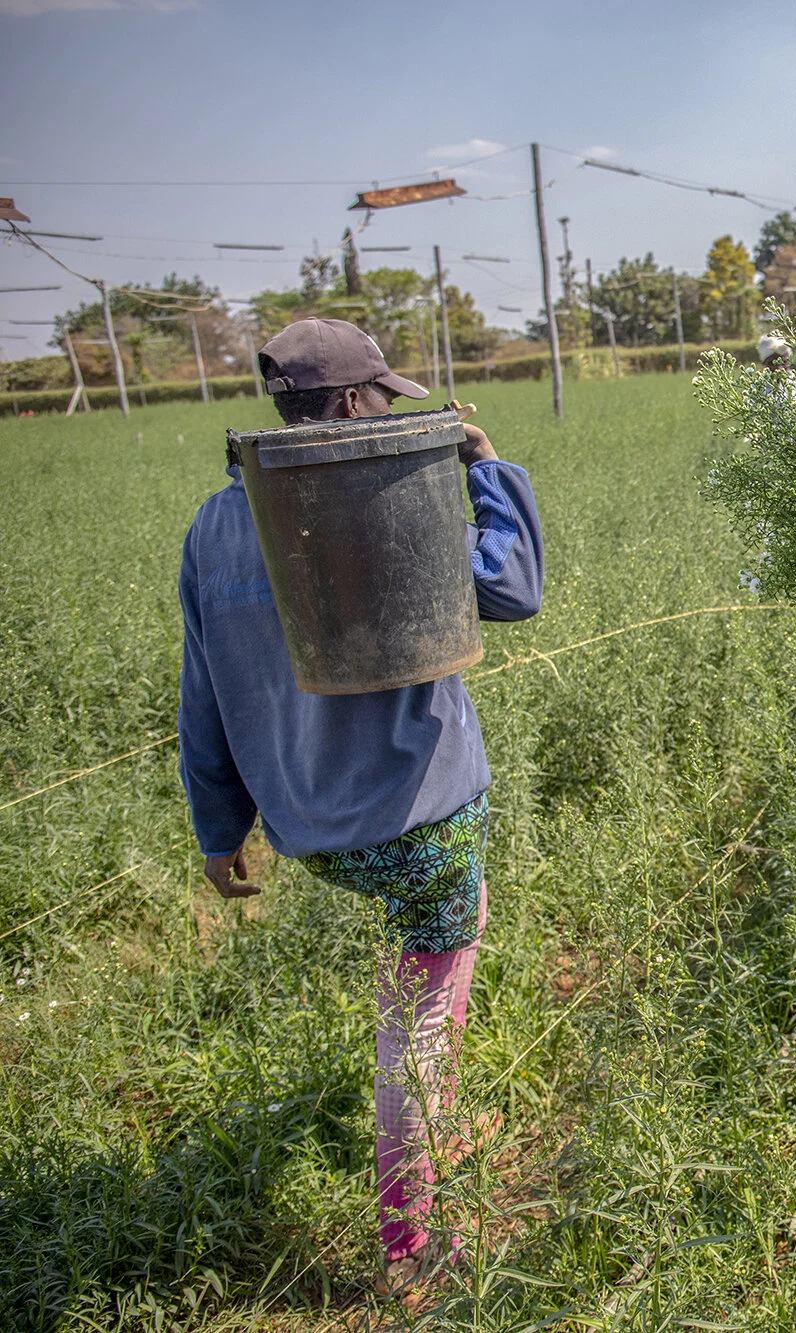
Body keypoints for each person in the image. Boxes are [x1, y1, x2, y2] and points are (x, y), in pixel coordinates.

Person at [177, 317, 545, 1294]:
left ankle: (427, 1119)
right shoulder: (376, 497)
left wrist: (220, 831)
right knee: (426, 1006)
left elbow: (202, 689)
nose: (389, 408)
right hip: (418, 815)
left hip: (310, 829)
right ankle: (411, 1241)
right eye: (380, 394)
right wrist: (485, 470)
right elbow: (510, 588)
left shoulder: (216, 523)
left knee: (415, 977)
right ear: (346, 407)